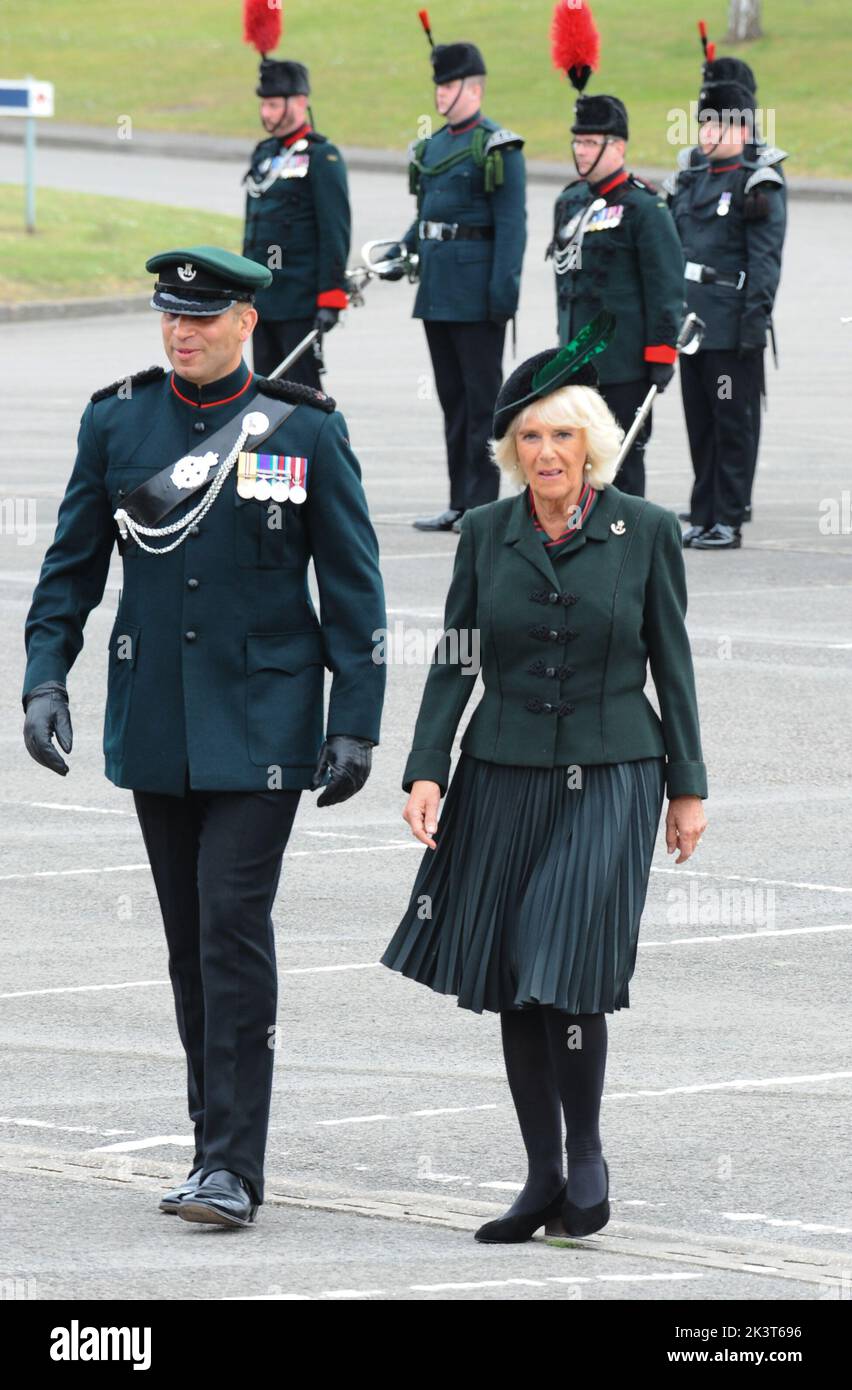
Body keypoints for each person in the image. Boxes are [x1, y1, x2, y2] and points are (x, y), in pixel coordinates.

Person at [22, 246, 386, 1229]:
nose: (182, 332)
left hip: (264, 720)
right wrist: (45, 677)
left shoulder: (303, 429)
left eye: (202, 317)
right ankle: (208, 1143)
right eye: (171, 316)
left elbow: (352, 586)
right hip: (157, 722)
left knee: (231, 926)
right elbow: (71, 567)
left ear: (244, 321)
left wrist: (355, 721)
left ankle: (232, 1165)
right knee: (190, 943)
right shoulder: (119, 420)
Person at [381, 312, 707, 1243]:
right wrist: (425, 769)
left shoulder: (646, 530)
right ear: (511, 449)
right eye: (529, 436)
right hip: (502, 769)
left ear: (591, 442)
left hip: (615, 770)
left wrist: (689, 785)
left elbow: (673, 661)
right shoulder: (487, 532)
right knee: (514, 968)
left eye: (562, 433)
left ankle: (588, 1151)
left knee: (560, 954)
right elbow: (457, 655)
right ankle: (541, 1176)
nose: (546, 452)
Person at [394, 32, 526, 531]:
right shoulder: (433, 146)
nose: (441, 93)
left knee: (482, 403)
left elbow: (511, 227)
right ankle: (458, 501)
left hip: (477, 296)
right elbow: (428, 215)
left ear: (475, 88)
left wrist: (502, 294)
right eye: (439, 85)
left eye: (449, 85)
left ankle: (481, 505)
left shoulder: (497, 146)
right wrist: (400, 249)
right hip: (438, 292)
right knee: (452, 400)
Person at [666, 67, 787, 549]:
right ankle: (703, 513)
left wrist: (752, 326)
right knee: (700, 424)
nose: (707, 133)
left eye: (717, 124)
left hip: (730, 327)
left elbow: (764, 264)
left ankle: (728, 518)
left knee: (731, 423)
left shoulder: (756, 184)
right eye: (704, 124)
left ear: (741, 128)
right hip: (692, 324)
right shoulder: (691, 179)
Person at [547, 91, 683, 499]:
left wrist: (661, 353)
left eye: (591, 142)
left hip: (623, 364)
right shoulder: (569, 201)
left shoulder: (644, 207)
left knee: (621, 464)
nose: (580, 150)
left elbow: (665, 286)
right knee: (576, 463)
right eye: (577, 141)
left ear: (618, 147)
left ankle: (627, 536)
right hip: (575, 362)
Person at [242, 56, 351, 389]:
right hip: (263, 299)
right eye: (264, 104)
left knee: (302, 394)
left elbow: (335, 231)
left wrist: (331, 295)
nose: (266, 113)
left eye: (274, 105)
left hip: (300, 301)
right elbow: (253, 230)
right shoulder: (263, 153)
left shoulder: (322, 157)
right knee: (264, 392)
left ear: (300, 102)